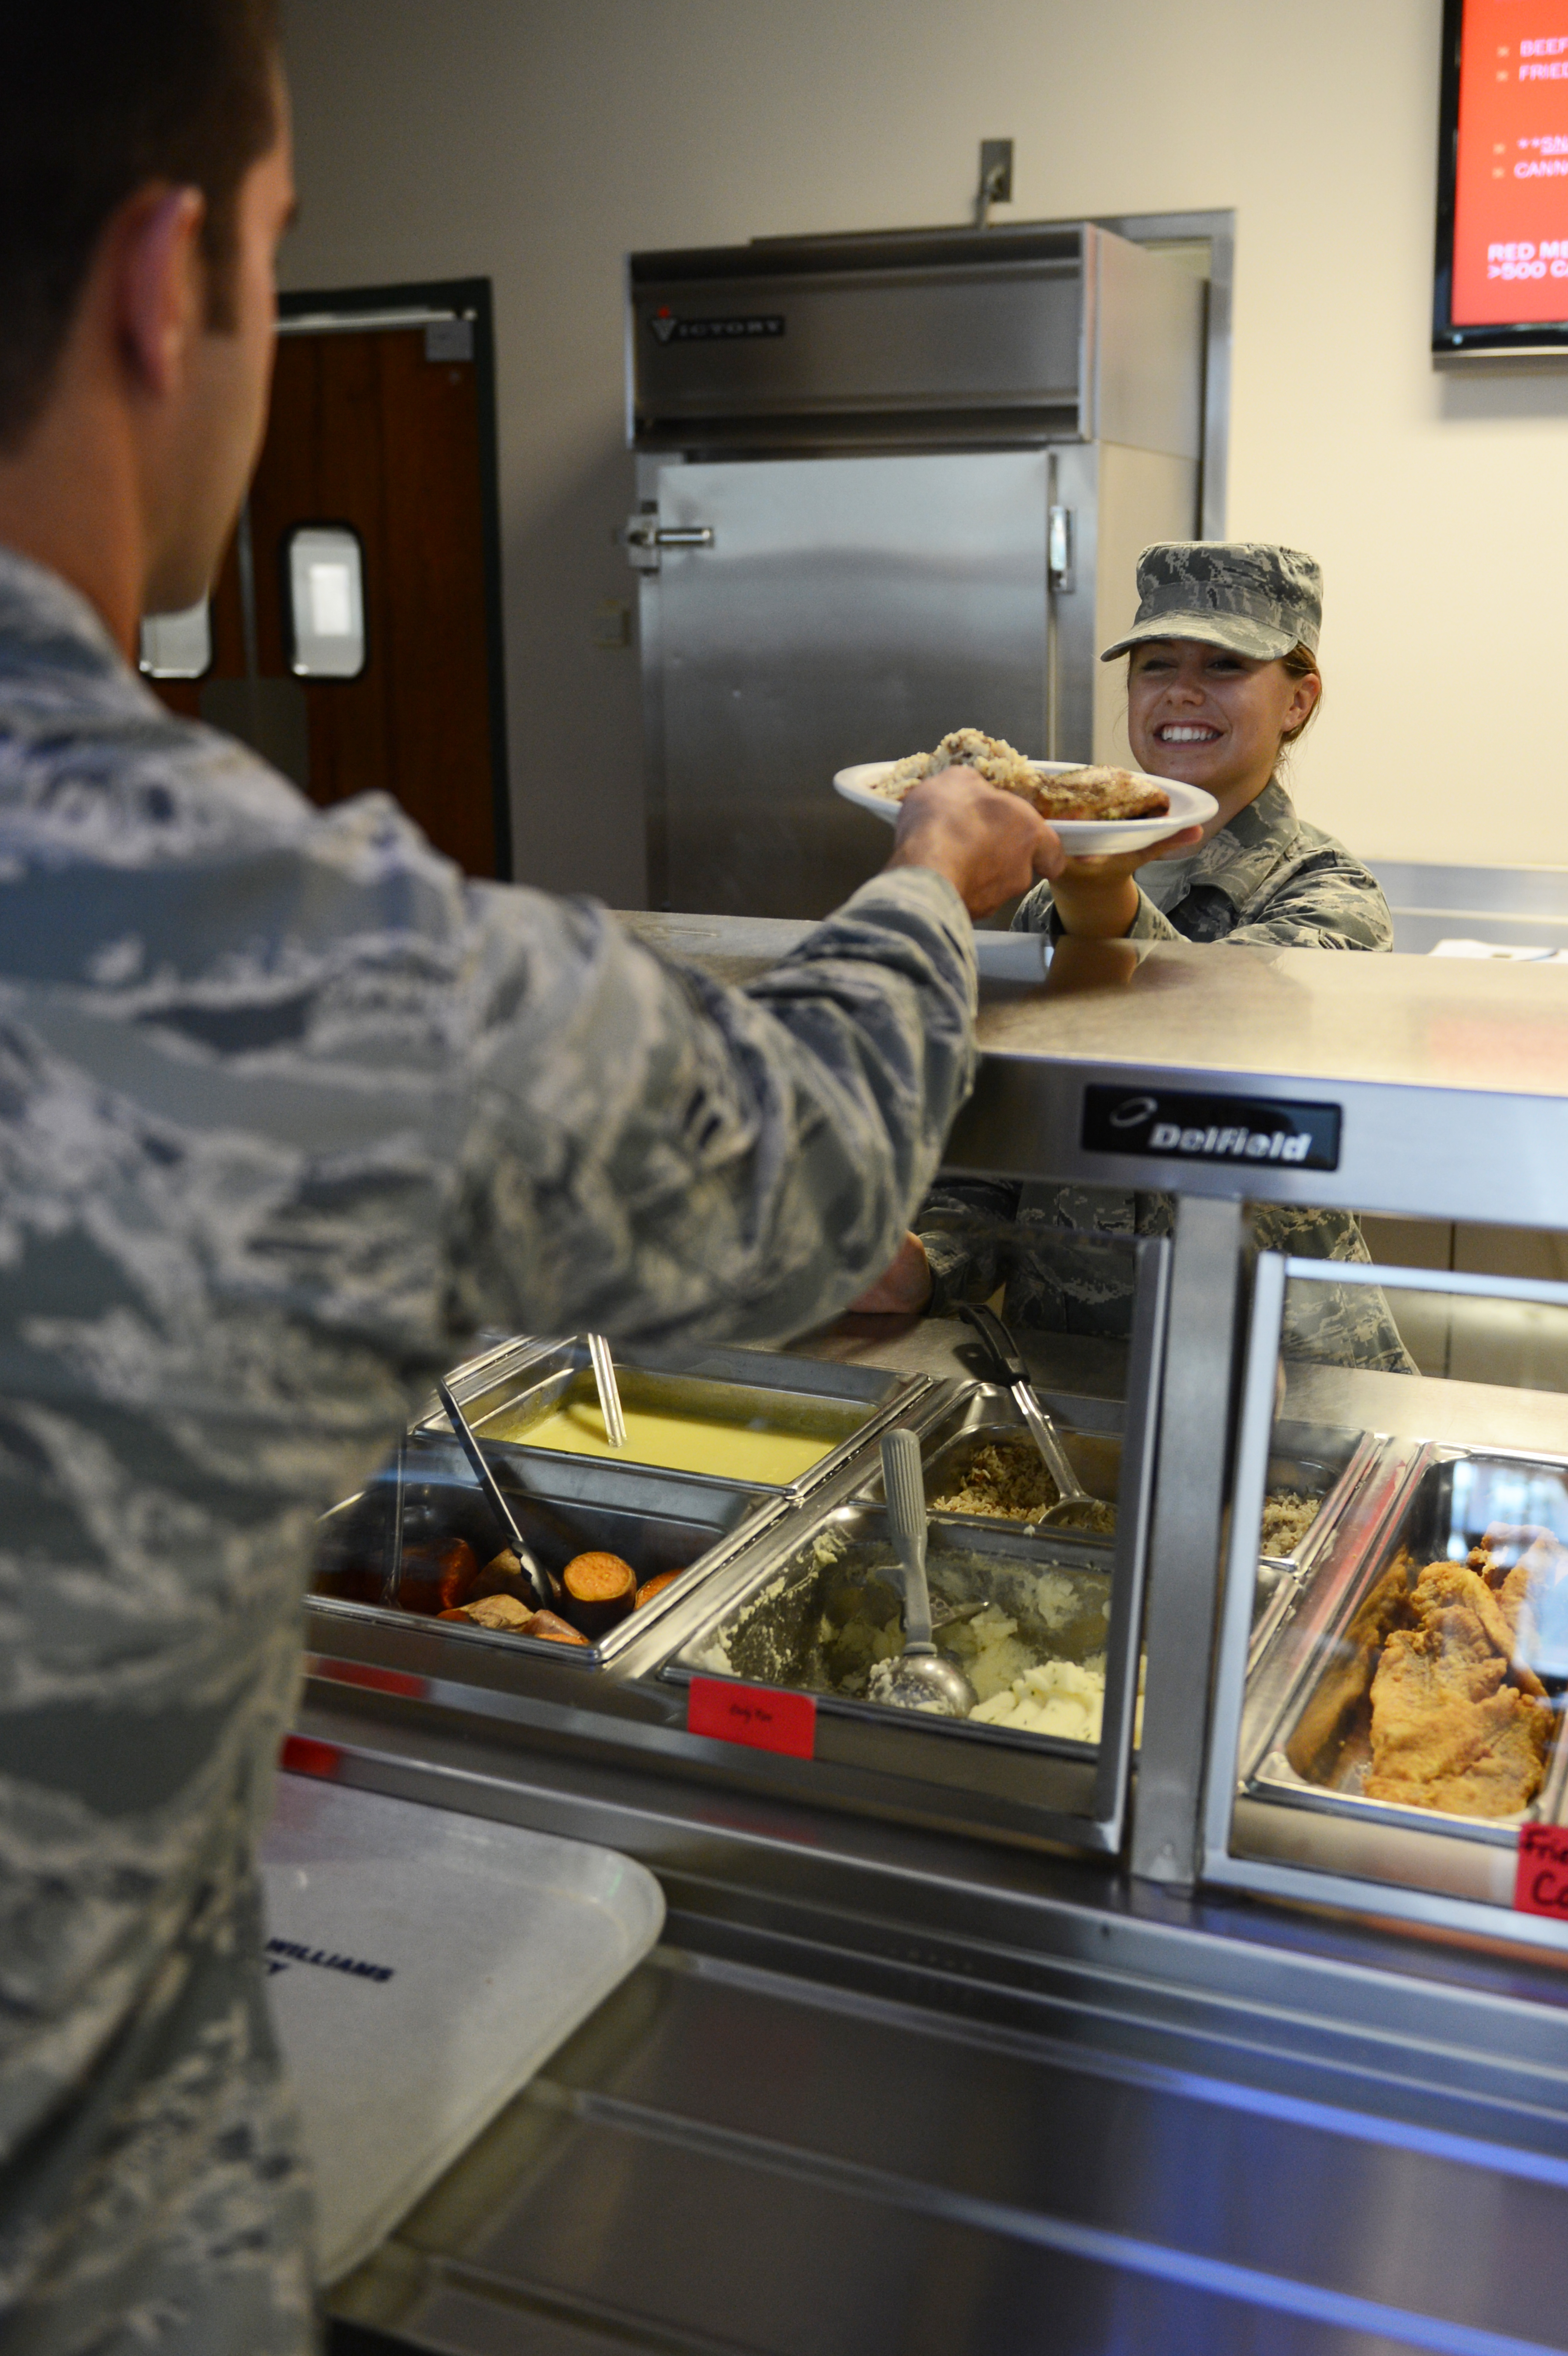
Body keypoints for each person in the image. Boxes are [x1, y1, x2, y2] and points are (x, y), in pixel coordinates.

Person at [0, 10, 1064, 2351]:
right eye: (286, 254)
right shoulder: (261, 942)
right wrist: (932, 873)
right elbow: (805, 1163)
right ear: (172, 285)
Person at [854, 542, 1413, 1374]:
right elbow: (1008, 1141)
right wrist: (922, 1267)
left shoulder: (1331, 897)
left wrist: (1101, 893)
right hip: (1074, 1374)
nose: (1182, 692)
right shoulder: (1049, 894)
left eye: (1225, 664)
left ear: (1299, 701)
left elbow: (1204, 1049)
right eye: (1156, 665)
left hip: (1281, 1385)